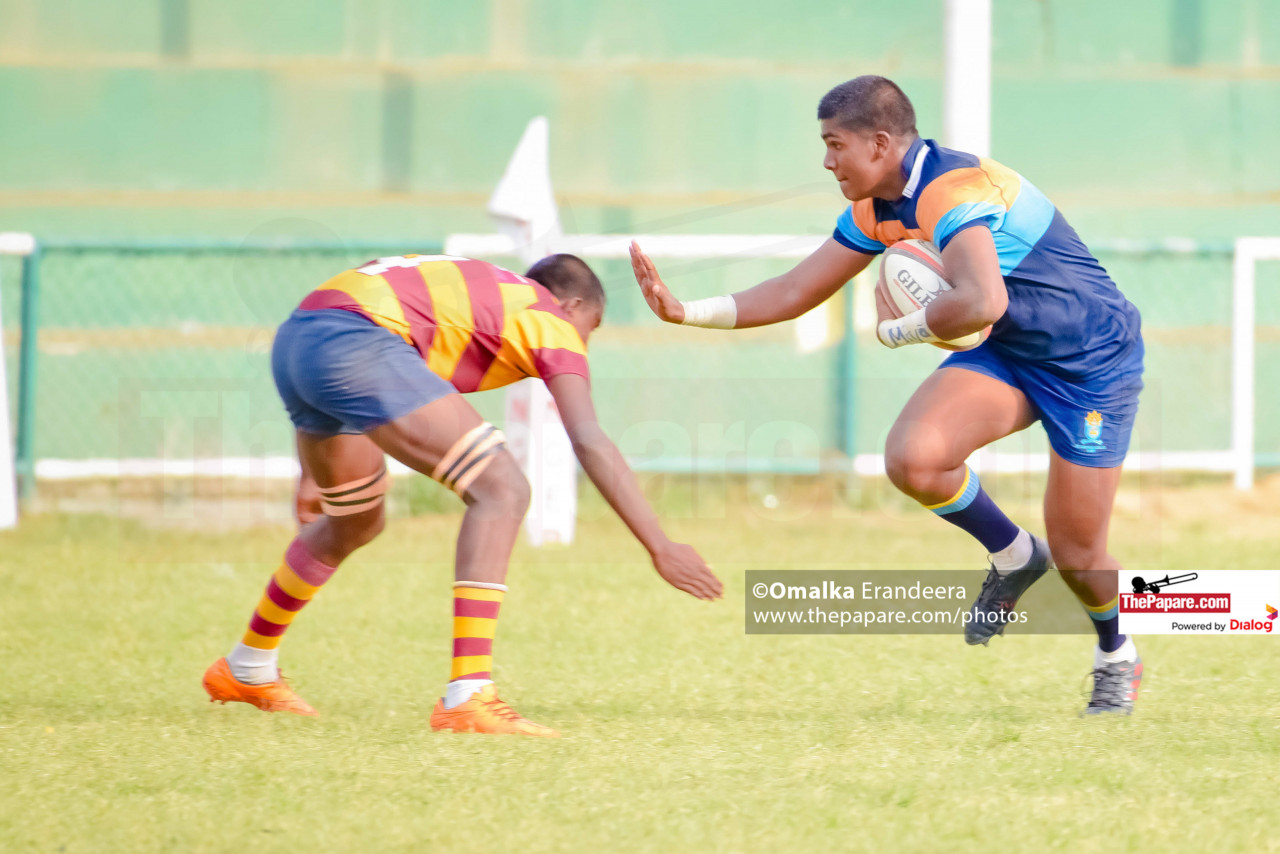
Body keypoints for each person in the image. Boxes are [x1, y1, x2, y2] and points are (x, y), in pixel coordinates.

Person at [629, 76, 1144, 715]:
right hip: (1010, 349)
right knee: (914, 458)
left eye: (834, 144)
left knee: (1079, 553)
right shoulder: (878, 206)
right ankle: (1014, 556)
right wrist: (686, 311)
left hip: (1089, 361)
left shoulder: (951, 188)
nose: (826, 161)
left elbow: (984, 300)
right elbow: (796, 290)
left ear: (878, 143)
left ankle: (1115, 653)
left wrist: (900, 329)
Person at [203, 252, 723, 737]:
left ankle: (247, 667)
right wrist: (660, 544)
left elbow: (366, 301)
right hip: (357, 343)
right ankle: (468, 695)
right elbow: (587, 437)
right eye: (594, 328)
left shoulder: (480, 290)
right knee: (504, 489)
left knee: (355, 521)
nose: (585, 342)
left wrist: (314, 455)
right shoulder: (548, 316)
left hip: (301, 338)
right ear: (573, 305)